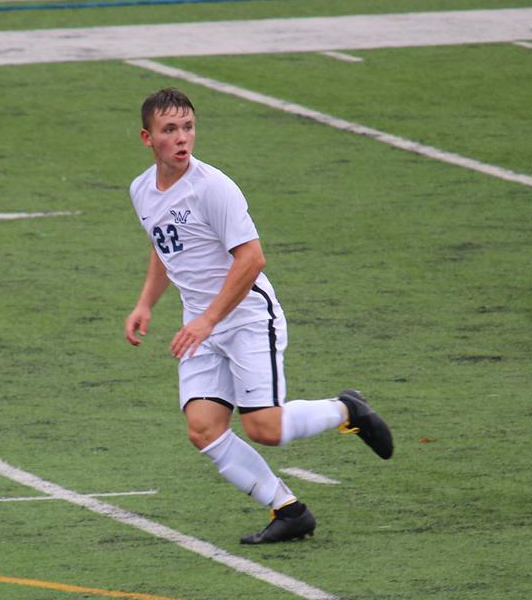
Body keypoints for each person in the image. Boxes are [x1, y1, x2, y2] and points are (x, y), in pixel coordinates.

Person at [124, 87, 393, 544]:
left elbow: (252, 260)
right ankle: (288, 509)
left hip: (247, 317)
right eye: (170, 130)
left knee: (264, 428)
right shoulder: (141, 190)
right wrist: (146, 303)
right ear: (147, 138)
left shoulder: (213, 188)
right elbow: (163, 245)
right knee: (203, 429)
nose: (182, 138)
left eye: (188, 127)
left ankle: (347, 409)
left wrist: (207, 320)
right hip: (202, 326)